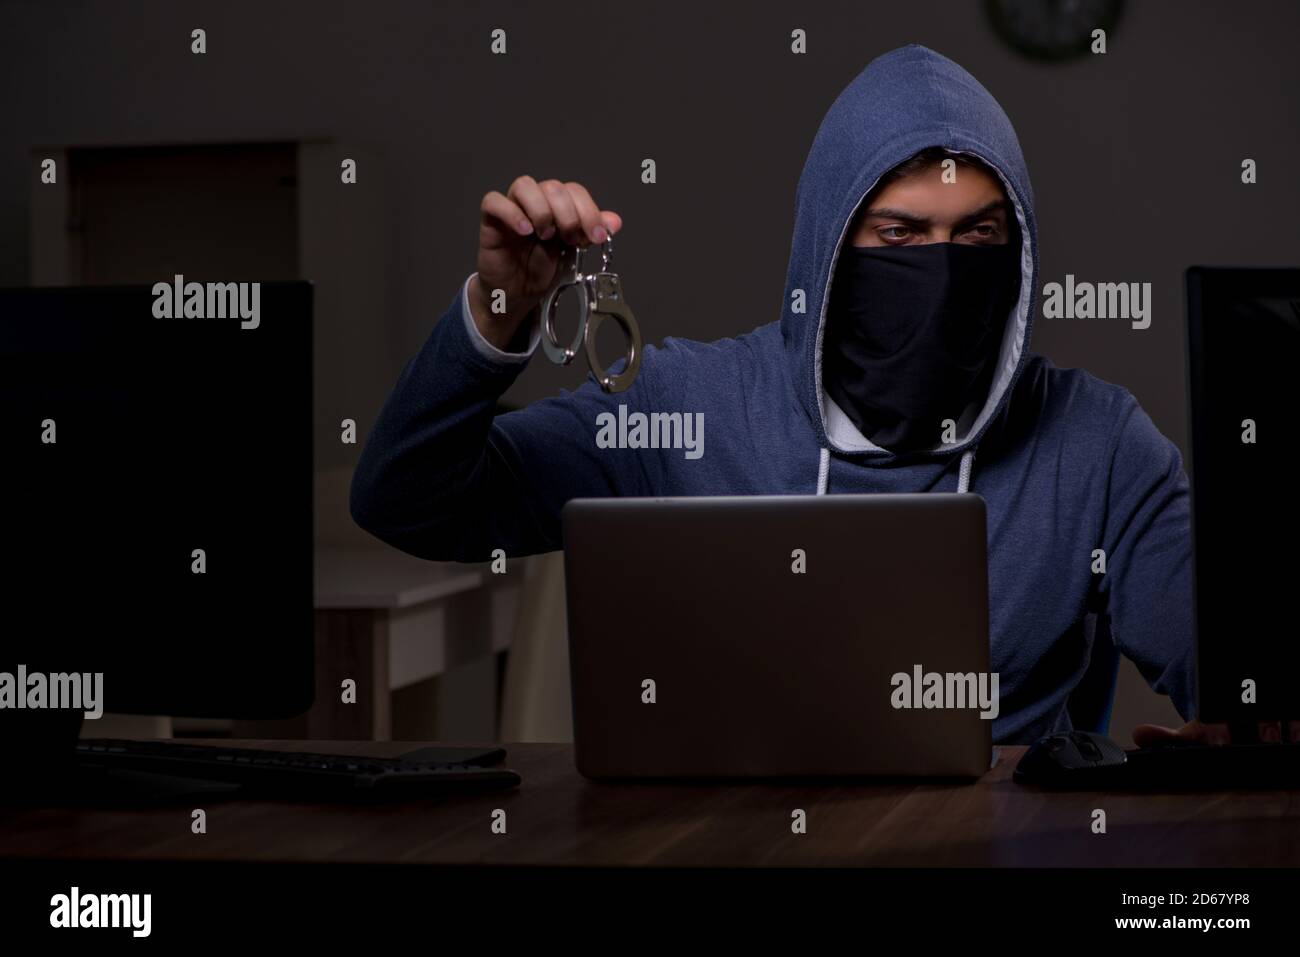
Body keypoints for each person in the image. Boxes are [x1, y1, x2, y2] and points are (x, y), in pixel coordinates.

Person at [351, 44, 1243, 747]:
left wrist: (1252, 725)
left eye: (977, 235)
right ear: (828, 249)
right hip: (720, 851)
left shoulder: (1097, 441)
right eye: (899, 234)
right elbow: (411, 500)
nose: (940, 269)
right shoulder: (681, 408)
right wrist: (499, 310)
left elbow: (1236, 663)